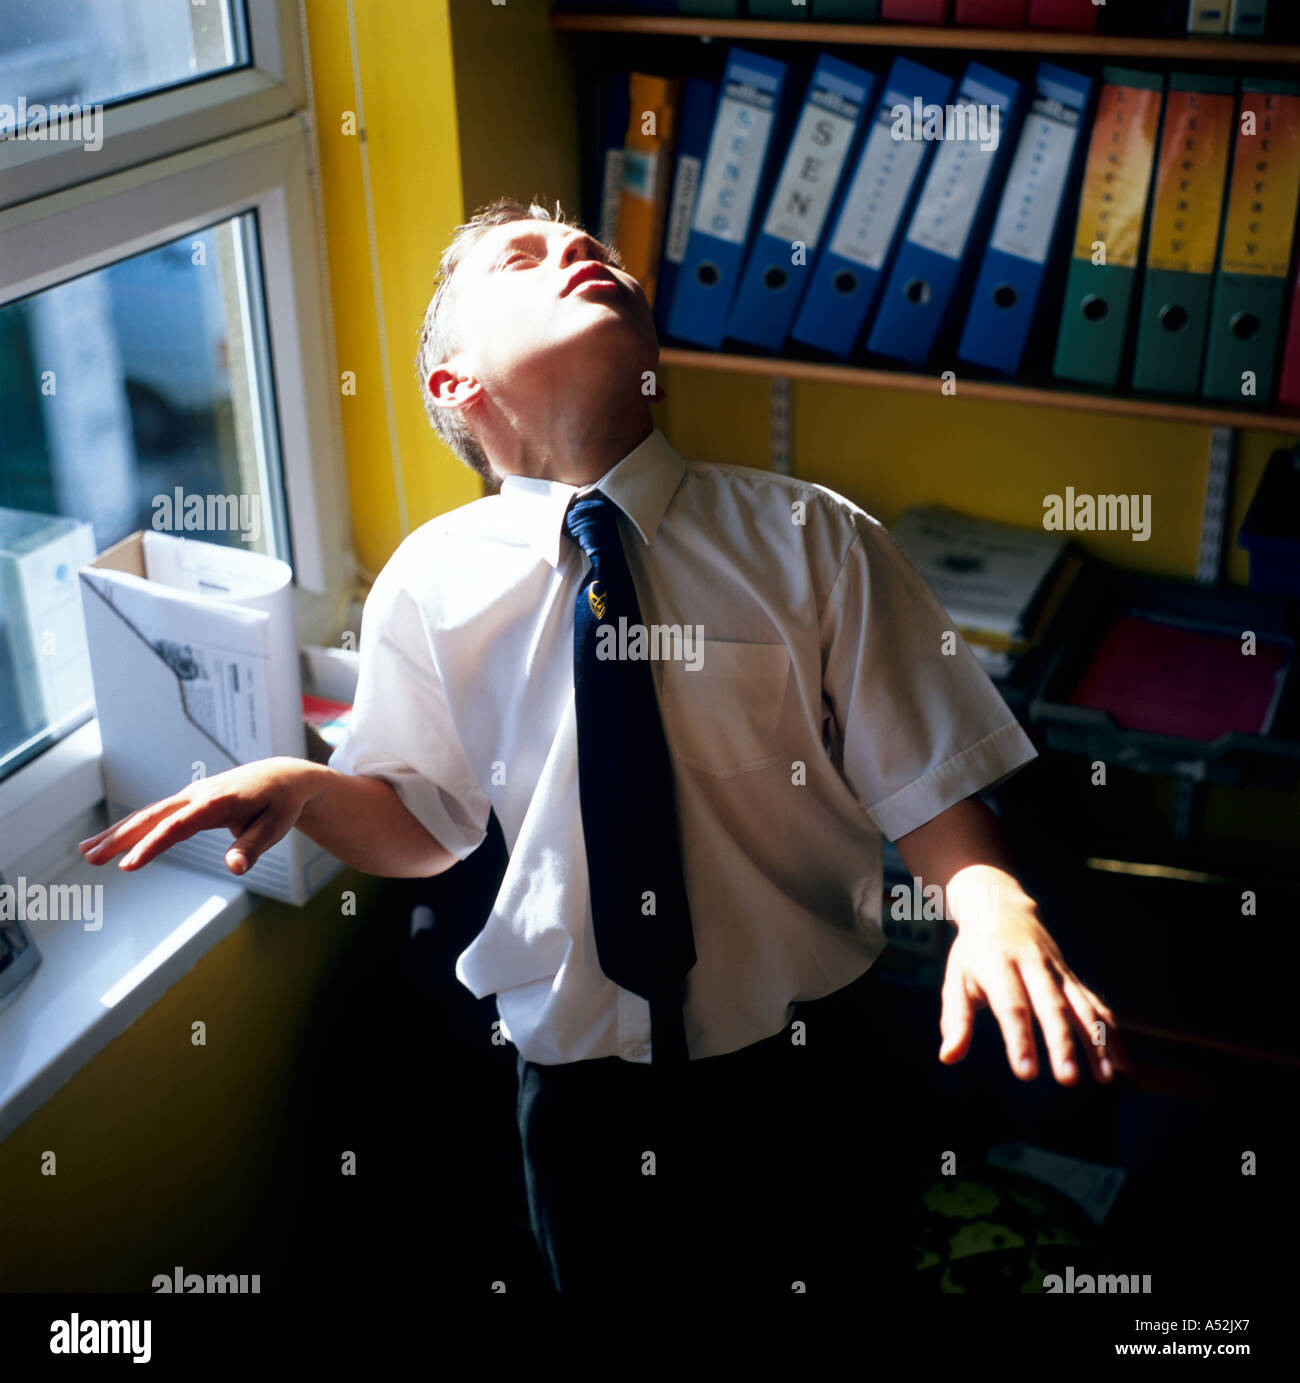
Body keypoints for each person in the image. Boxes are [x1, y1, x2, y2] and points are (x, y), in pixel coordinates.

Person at [78, 196, 1128, 1297]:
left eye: (592, 248)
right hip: (578, 1088)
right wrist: (305, 789)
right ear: (456, 388)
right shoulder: (431, 584)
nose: (579, 252)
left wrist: (991, 905)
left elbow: (923, 787)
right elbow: (426, 825)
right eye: (522, 260)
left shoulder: (811, 537)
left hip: (813, 1065)